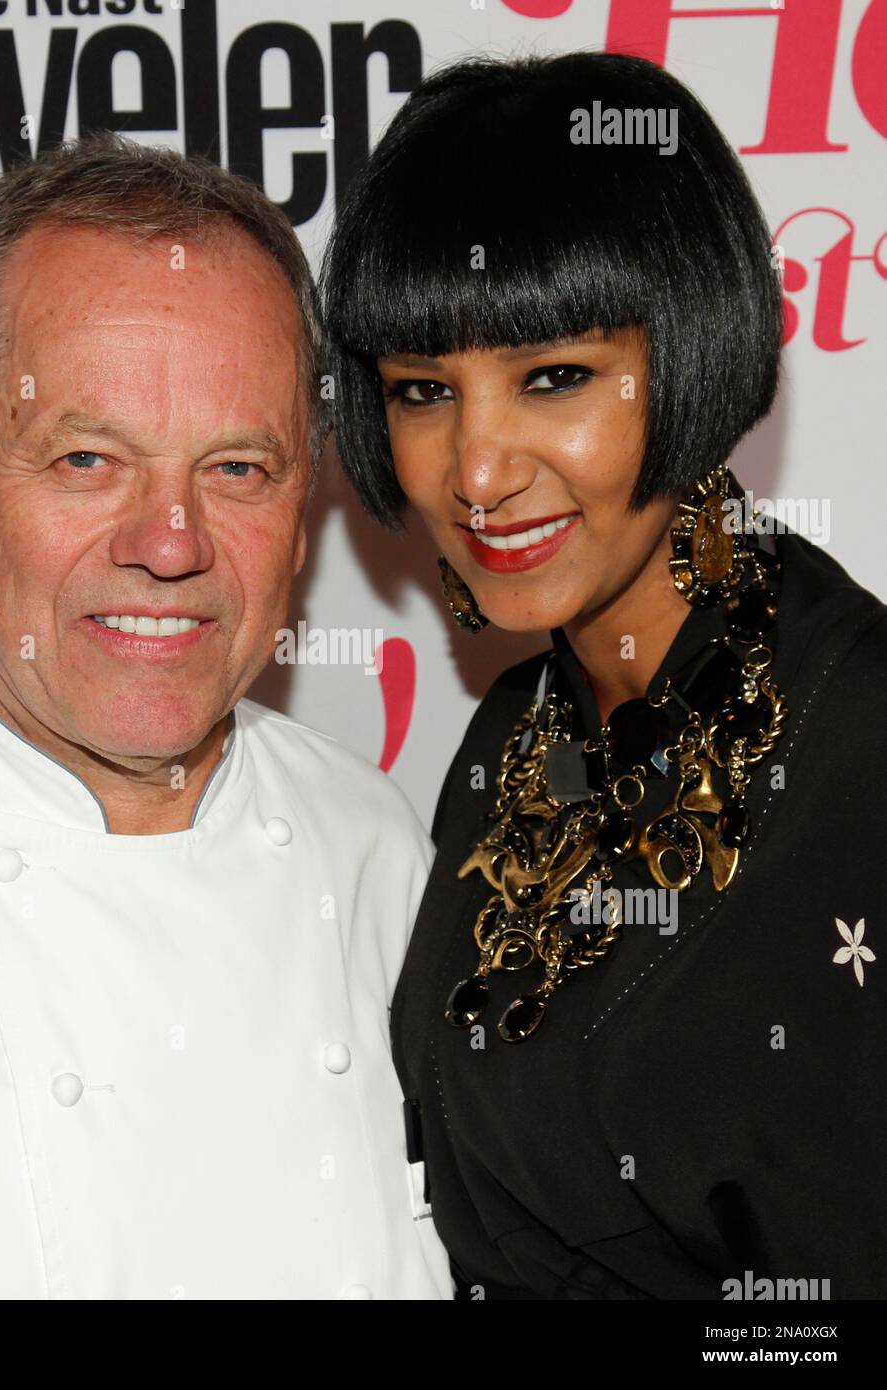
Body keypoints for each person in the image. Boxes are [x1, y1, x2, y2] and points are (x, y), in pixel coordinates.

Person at [0, 133, 452, 1301]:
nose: (170, 542)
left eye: (238, 468)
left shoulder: (377, 847)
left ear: (303, 513)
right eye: (87, 458)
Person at [321, 52, 887, 1299]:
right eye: (422, 392)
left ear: (693, 343)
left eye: (552, 378)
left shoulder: (858, 744)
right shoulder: (507, 738)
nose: (475, 470)